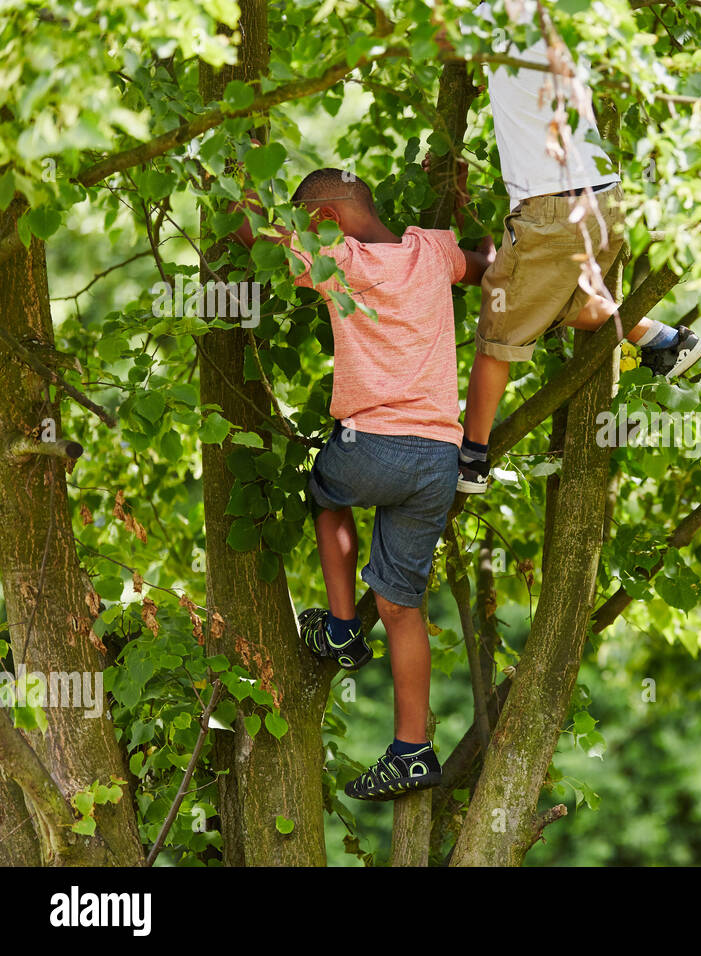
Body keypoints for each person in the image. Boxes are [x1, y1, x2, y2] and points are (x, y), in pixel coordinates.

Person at [231, 157, 490, 801]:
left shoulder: (338, 260)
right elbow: (489, 259)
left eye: (308, 221)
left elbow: (251, 233)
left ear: (323, 219)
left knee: (325, 489)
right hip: (437, 458)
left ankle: (343, 628)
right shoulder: (432, 252)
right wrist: (458, 198)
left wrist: (233, 169)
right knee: (403, 607)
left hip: (368, 444)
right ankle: (411, 752)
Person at [455, 7, 701, 494]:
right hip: (605, 201)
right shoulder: (572, 25)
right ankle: (665, 340)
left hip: (553, 210)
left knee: (499, 322)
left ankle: (471, 462)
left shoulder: (496, 15)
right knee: (554, 302)